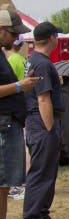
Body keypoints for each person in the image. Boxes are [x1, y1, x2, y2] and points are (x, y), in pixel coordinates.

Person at [0, 8, 41, 219]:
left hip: (7, 125)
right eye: (13, 33)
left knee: (4, 189)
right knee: (1, 188)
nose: (15, 38)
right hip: (2, 128)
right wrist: (19, 87)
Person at [23, 21, 68, 219]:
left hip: (38, 123)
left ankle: (42, 213)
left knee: (47, 171)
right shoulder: (41, 63)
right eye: (56, 36)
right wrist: (50, 128)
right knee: (41, 172)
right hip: (42, 123)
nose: (57, 39)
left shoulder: (35, 60)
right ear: (51, 38)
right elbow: (43, 99)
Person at [4, 37, 29, 200]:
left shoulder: (11, 60)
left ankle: (19, 185)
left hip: (13, 110)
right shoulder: (22, 60)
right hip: (22, 108)